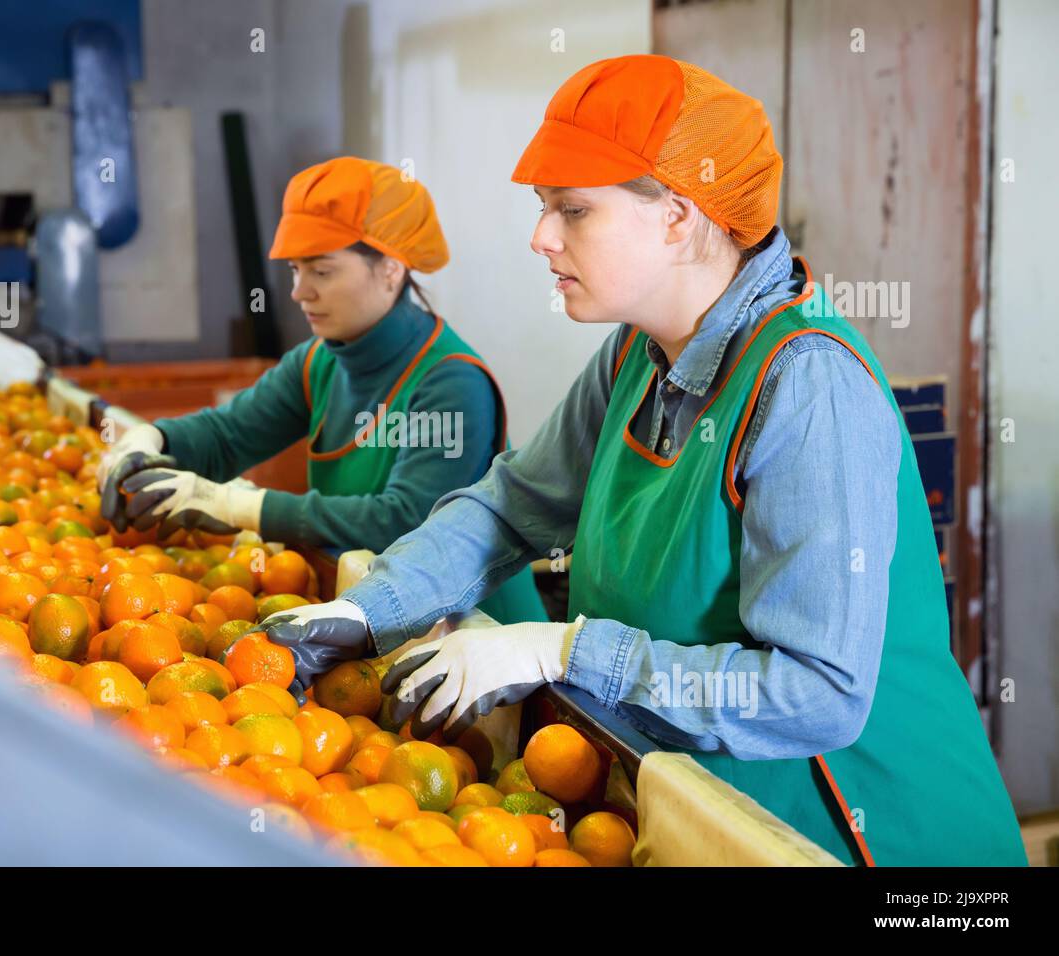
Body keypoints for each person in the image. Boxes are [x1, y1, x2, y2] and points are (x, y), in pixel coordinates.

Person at [258, 56, 1026, 866]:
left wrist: (562, 650)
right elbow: (512, 503)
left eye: (573, 211)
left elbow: (818, 695)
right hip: (711, 813)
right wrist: (371, 606)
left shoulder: (806, 386)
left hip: (864, 835)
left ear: (679, 216)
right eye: (542, 208)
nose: (539, 237)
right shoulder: (642, 349)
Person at [96, 156, 547, 625]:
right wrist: (149, 442)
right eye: (295, 270)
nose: (299, 291)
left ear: (391, 269)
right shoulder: (320, 361)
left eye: (322, 271)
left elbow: (407, 520)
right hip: (382, 618)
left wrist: (238, 505)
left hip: (476, 642)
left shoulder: (451, 381)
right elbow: (229, 435)